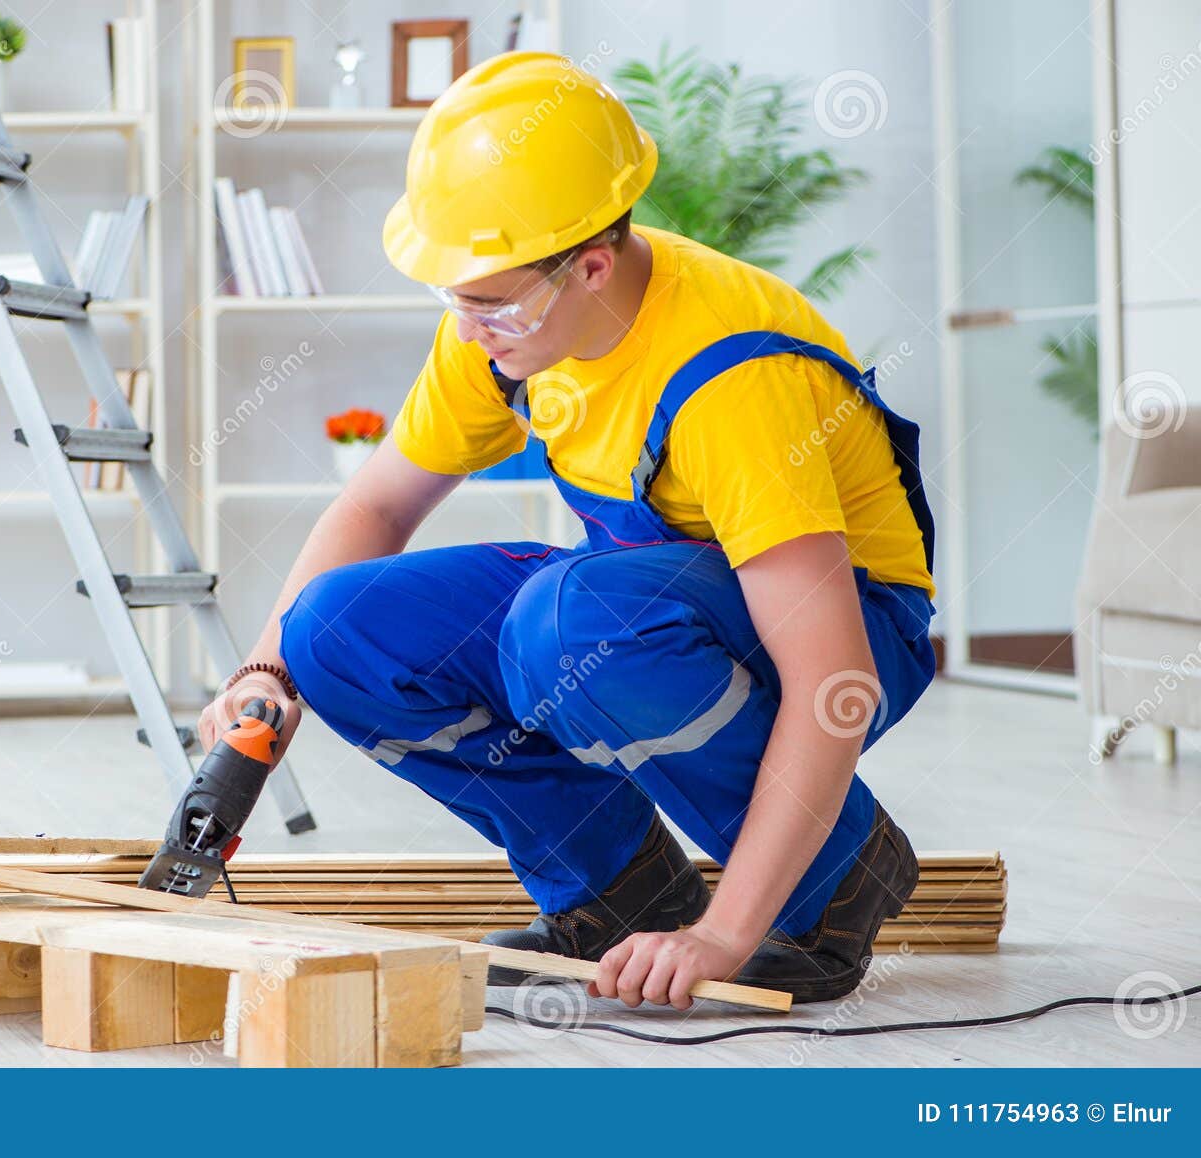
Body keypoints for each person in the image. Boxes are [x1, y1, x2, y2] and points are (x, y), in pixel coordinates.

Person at [198, 52, 937, 1007]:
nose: (467, 331)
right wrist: (266, 676)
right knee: (333, 631)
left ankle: (831, 884)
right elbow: (375, 506)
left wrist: (721, 935)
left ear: (591, 264)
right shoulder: (506, 319)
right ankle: (618, 893)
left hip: (848, 630)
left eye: (486, 302)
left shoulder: (732, 381)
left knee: (571, 628)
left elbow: (835, 679)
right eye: (456, 298)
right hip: (642, 603)